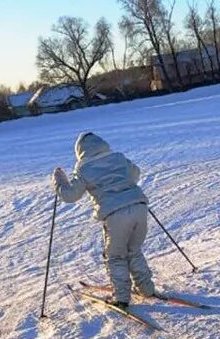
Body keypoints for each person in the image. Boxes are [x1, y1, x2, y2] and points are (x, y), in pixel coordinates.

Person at [53, 131, 160, 308]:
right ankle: (146, 289)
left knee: (116, 256)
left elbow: (71, 195)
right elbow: (135, 174)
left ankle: (122, 298)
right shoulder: (118, 157)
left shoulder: (83, 168)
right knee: (134, 250)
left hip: (116, 215)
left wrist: (59, 181)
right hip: (139, 207)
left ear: (80, 151)